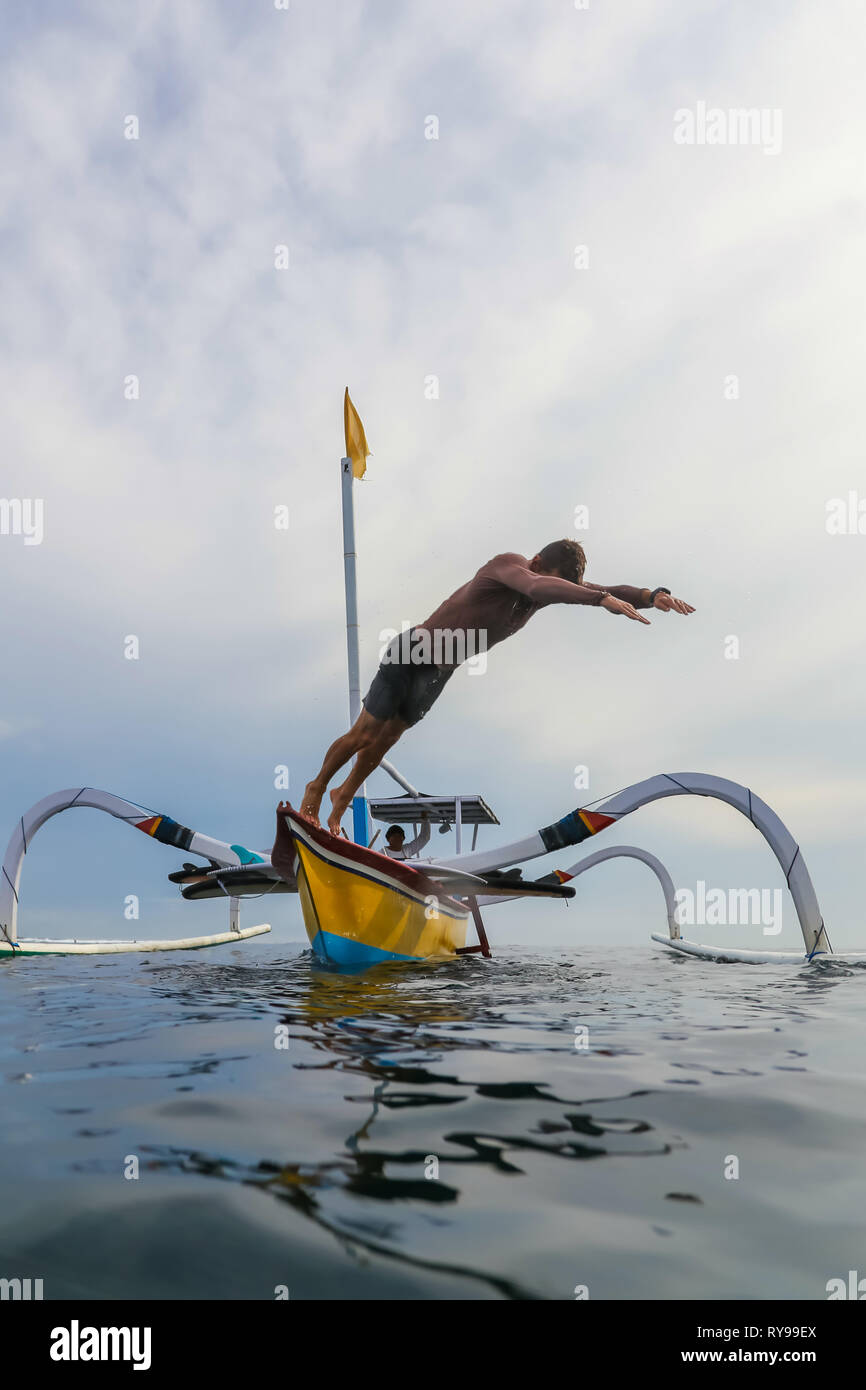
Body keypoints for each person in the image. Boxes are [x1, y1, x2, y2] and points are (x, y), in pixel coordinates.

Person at [301, 539, 694, 834]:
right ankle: (317, 788)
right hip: (413, 652)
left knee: (385, 741)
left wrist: (649, 595)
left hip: (439, 671)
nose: (548, 586)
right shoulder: (511, 567)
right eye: (546, 576)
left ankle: (342, 799)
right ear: (537, 562)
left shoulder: (550, 587)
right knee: (366, 733)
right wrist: (599, 600)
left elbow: (601, 588)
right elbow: (542, 588)